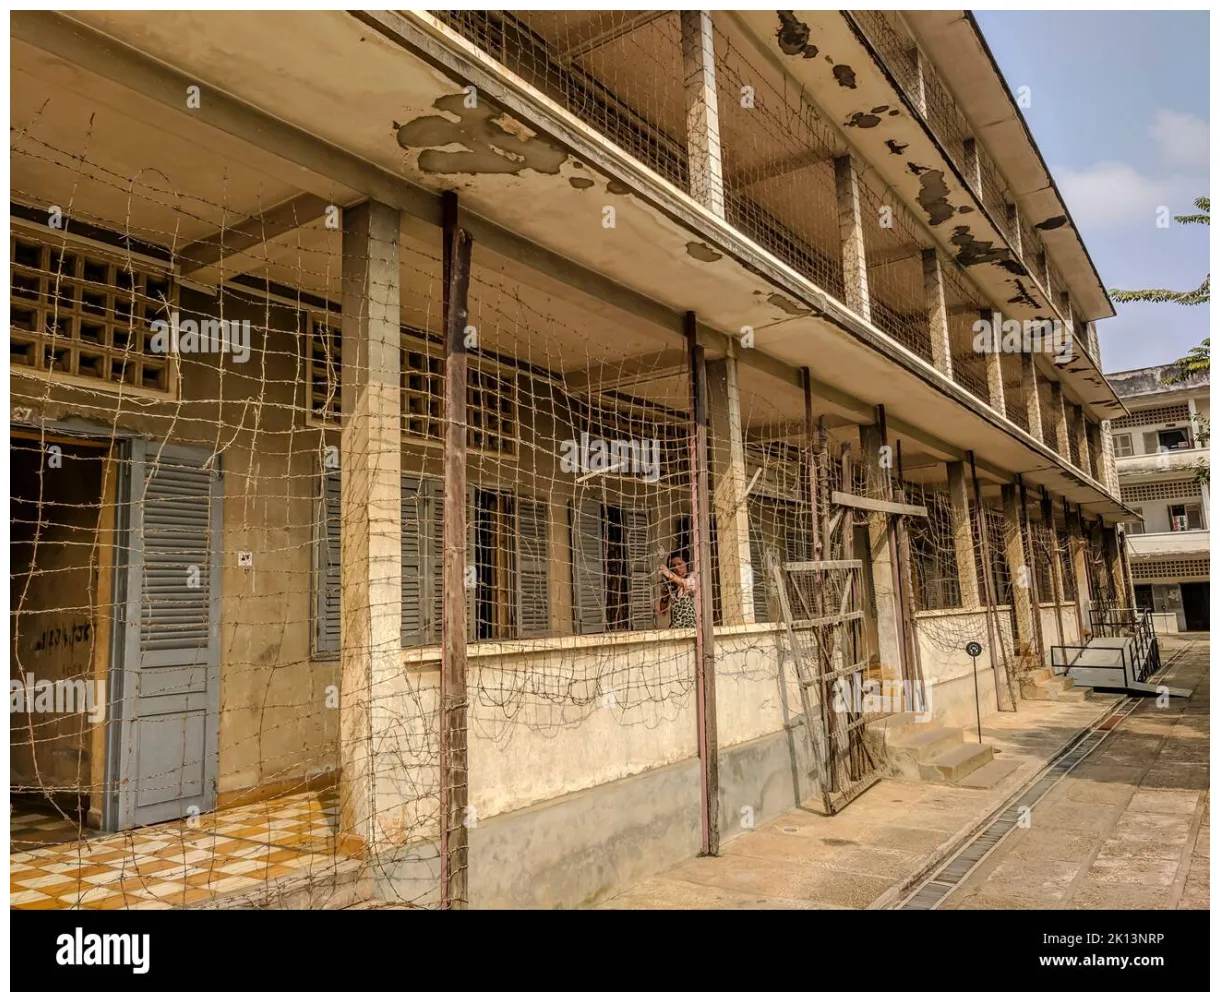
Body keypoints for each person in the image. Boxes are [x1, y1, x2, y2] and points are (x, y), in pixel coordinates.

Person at [657, 552, 697, 628]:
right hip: (676, 630)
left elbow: (686, 584)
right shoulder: (673, 586)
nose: (676, 568)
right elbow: (663, 612)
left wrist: (670, 575)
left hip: (693, 630)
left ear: (686, 563)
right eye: (673, 566)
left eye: (679, 564)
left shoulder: (693, 577)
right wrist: (665, 597)